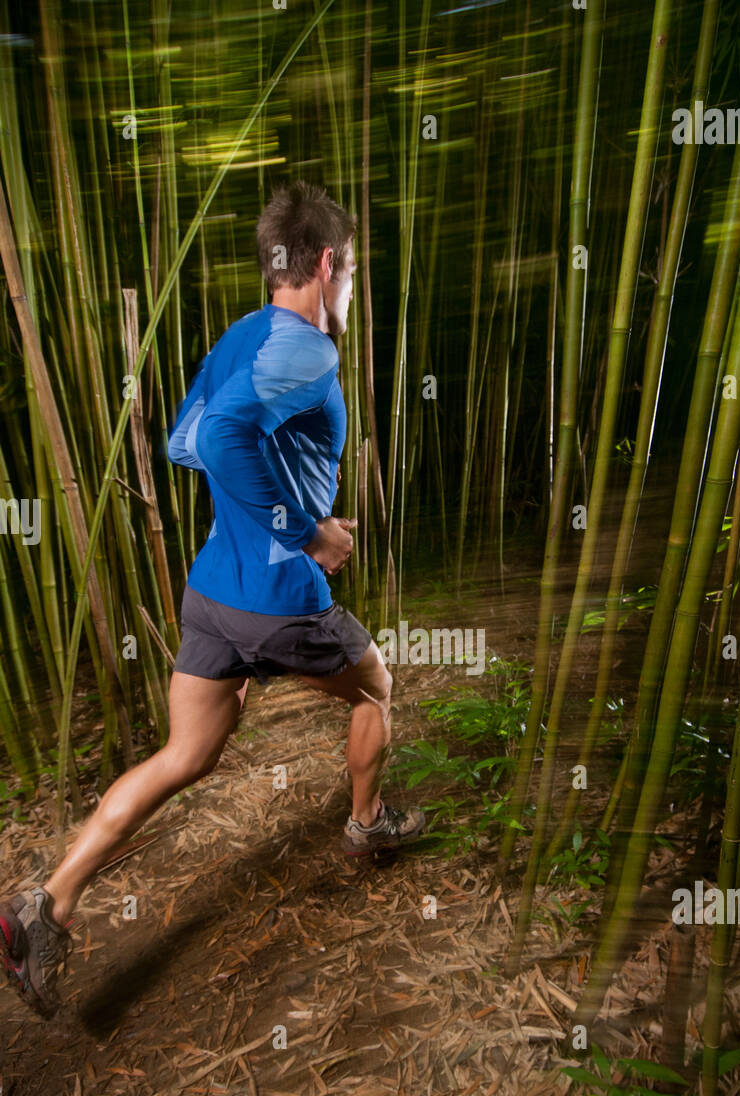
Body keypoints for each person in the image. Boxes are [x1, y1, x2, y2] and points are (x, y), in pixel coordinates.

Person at [0, 181, 424, 1020]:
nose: (348, 294)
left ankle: (41, 908)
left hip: (211, 593)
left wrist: (265, 496)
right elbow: (223, 438)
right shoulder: (306, 348)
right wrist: (308, 531)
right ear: (328, 264)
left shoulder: (239, 337)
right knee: (376, 684)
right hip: (275, 592)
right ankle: (367, 821)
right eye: (349, 277)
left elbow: (183, 440)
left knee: (185, 757)